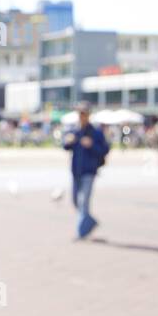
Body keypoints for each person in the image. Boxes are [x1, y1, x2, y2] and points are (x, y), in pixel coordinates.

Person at [61, 101, 109, 239]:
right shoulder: (75, 131)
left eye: (84, 113)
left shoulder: (96, 132)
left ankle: (81, 232)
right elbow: (65, 147)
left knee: (84, 202)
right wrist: (67, 142)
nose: (81, 116)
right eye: (79, 113)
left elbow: (104, 150)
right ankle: (90, 222)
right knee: (76, 201)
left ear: (89, 114)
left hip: (89, 172)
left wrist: (91, 145)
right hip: (76, 171)